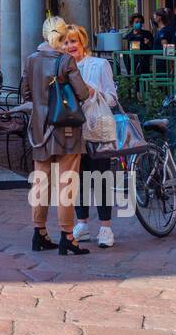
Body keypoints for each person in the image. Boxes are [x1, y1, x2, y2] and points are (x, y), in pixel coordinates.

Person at [21, 16, 92, 255]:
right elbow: (82, 93)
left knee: (41, 182)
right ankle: (67, 236)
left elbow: (26, 93)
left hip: (40, 129)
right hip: (65, 128)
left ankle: (39, 232)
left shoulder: (31, 60)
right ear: (62, 35)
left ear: (44, 35)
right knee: (66, 183)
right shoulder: (65, 60)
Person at [64, 25, 116, 249]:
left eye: (73, 41)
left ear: (82, 42)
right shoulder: (61, 67)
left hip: (97, 128)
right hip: (72, 130)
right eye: (65, 43)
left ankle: (106, 227)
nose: (70, 47)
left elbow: (113, 98)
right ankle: (82, 223)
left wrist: (95, 92)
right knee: (77, 179)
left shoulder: (99, 65)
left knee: (101, 176)